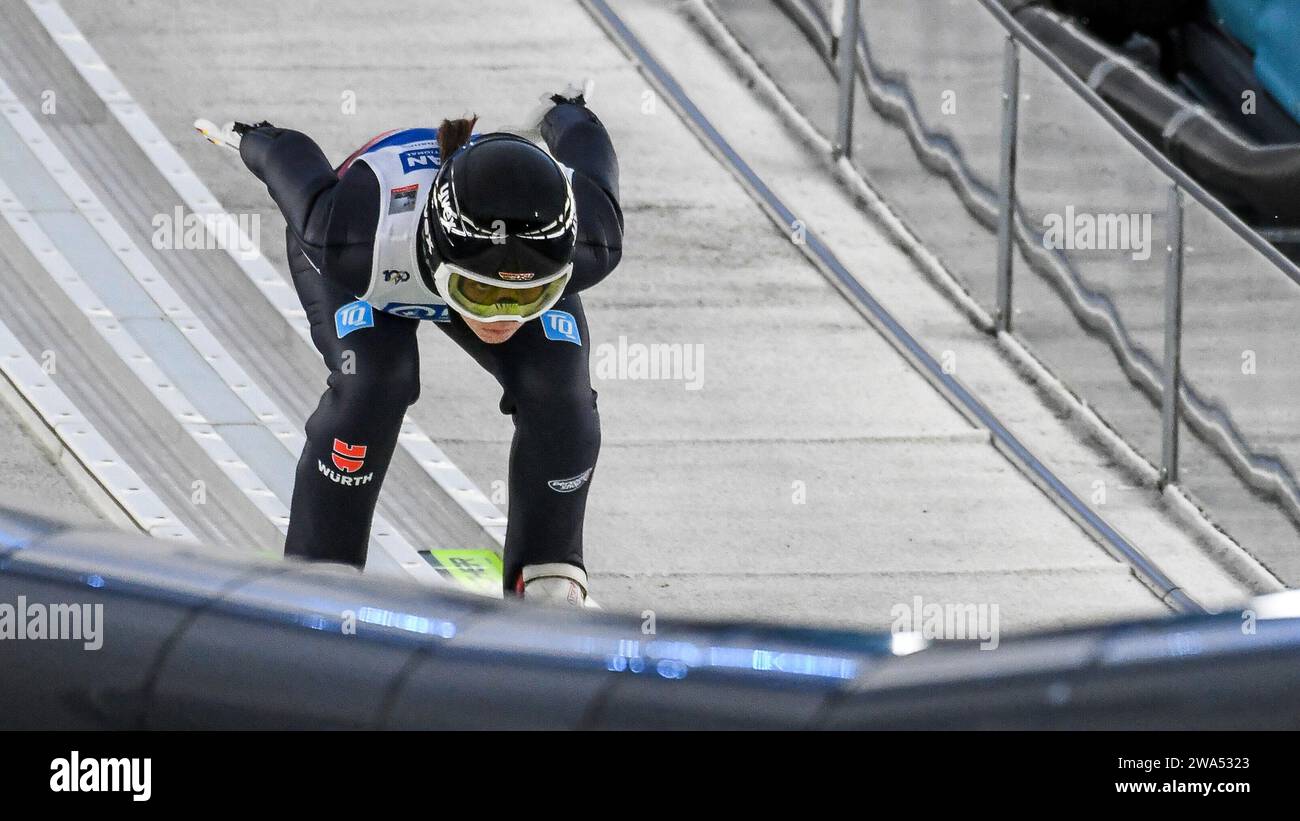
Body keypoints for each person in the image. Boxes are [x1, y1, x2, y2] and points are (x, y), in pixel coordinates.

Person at [227, 88, 622, 606]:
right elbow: (291, 160)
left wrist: (566, 110)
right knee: (374, 380)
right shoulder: (349, 235)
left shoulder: (593, 239)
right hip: (380, 265)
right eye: (480, 295)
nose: (504, 318)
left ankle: (547, 573)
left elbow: (585, 144)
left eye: (529, 295)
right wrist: (256, 138)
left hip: (457, 254)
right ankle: (322, 571)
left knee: (561, 395)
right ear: (438, 259)